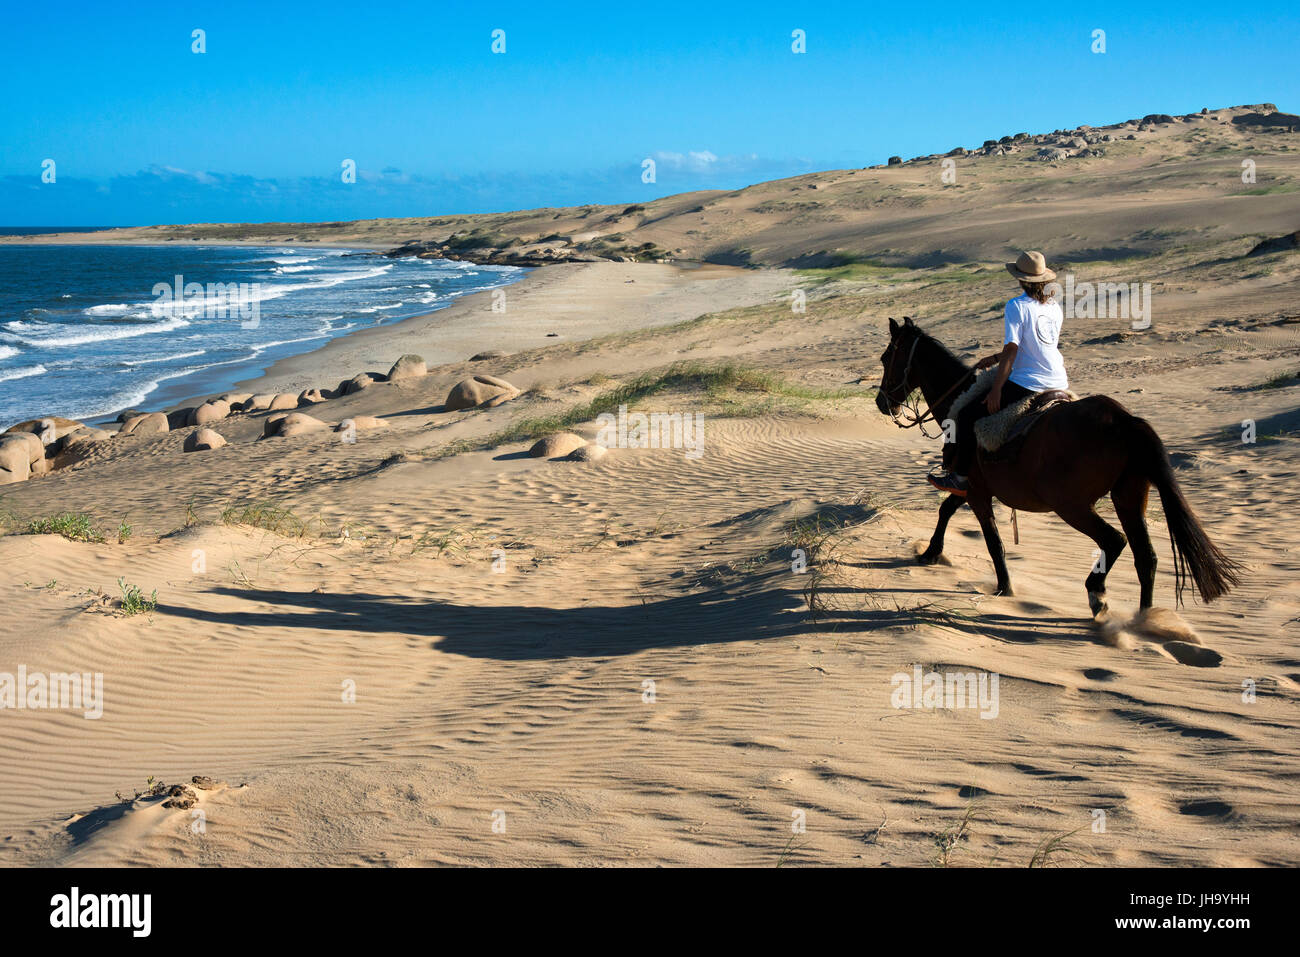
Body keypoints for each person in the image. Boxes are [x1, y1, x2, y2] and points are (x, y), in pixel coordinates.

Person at [927, 250, 1069, 496]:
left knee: (966, 415)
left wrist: (996, 390)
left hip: (1029, 382)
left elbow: (1013, 349)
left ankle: (960, 478)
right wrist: (994, 359)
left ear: (1020, 279)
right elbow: (1036, 346)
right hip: (1058, 379)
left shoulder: (1016, 305)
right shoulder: (1054, 307)